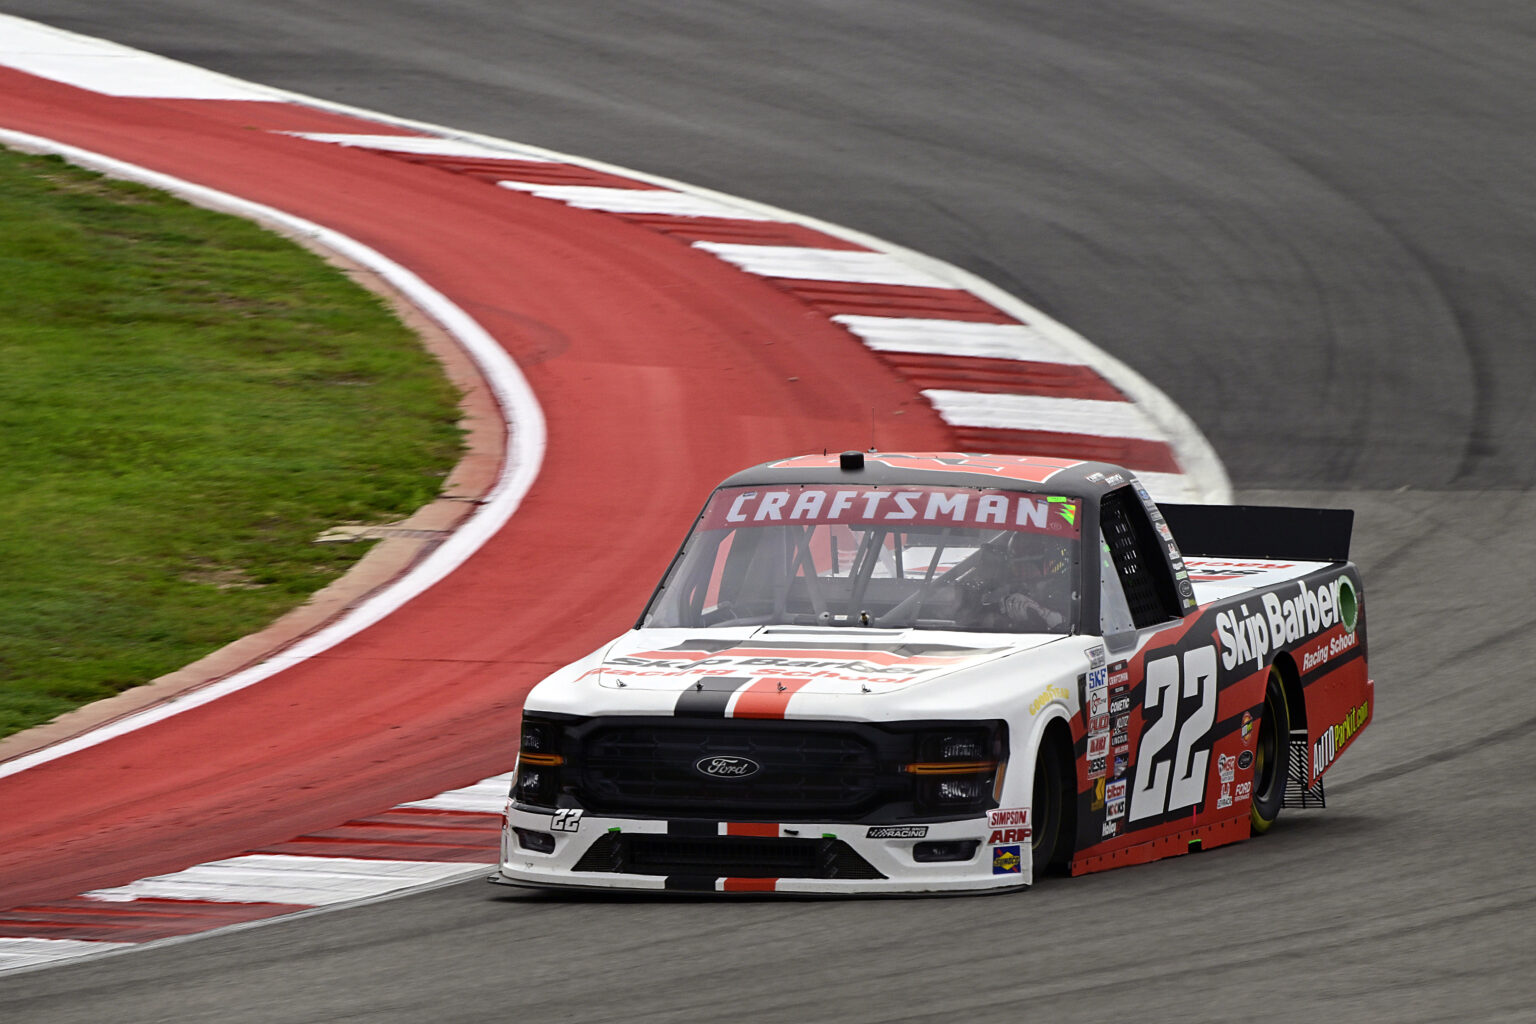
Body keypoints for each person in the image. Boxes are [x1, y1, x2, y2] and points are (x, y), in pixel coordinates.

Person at [964, 531, 1072, 631]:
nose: (1020, 570)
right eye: (1017, 565)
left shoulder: (1068, 594)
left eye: (1023, 565)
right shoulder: (1008, 590)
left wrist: (1039, 613)